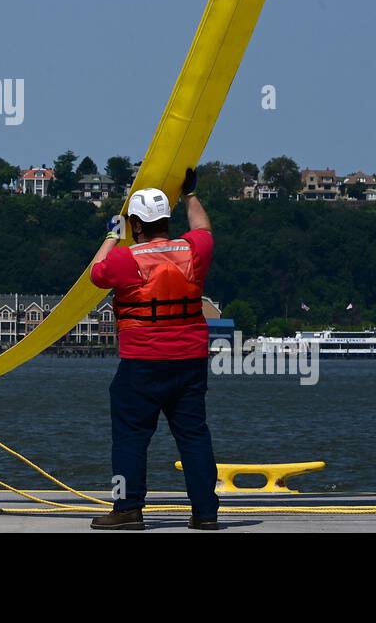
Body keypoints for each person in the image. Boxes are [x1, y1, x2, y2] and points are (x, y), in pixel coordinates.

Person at [87, 171, 221, 531]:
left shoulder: (125, 259)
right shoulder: (192, 251)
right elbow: (203, 228)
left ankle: (128, 509)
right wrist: (191, 194)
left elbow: (96, 273)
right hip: (190, 362)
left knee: (131, 437)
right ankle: (206, 513)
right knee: (194, 435)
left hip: (141, 365)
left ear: (135, 224)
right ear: (165, 220)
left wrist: (112, 234)